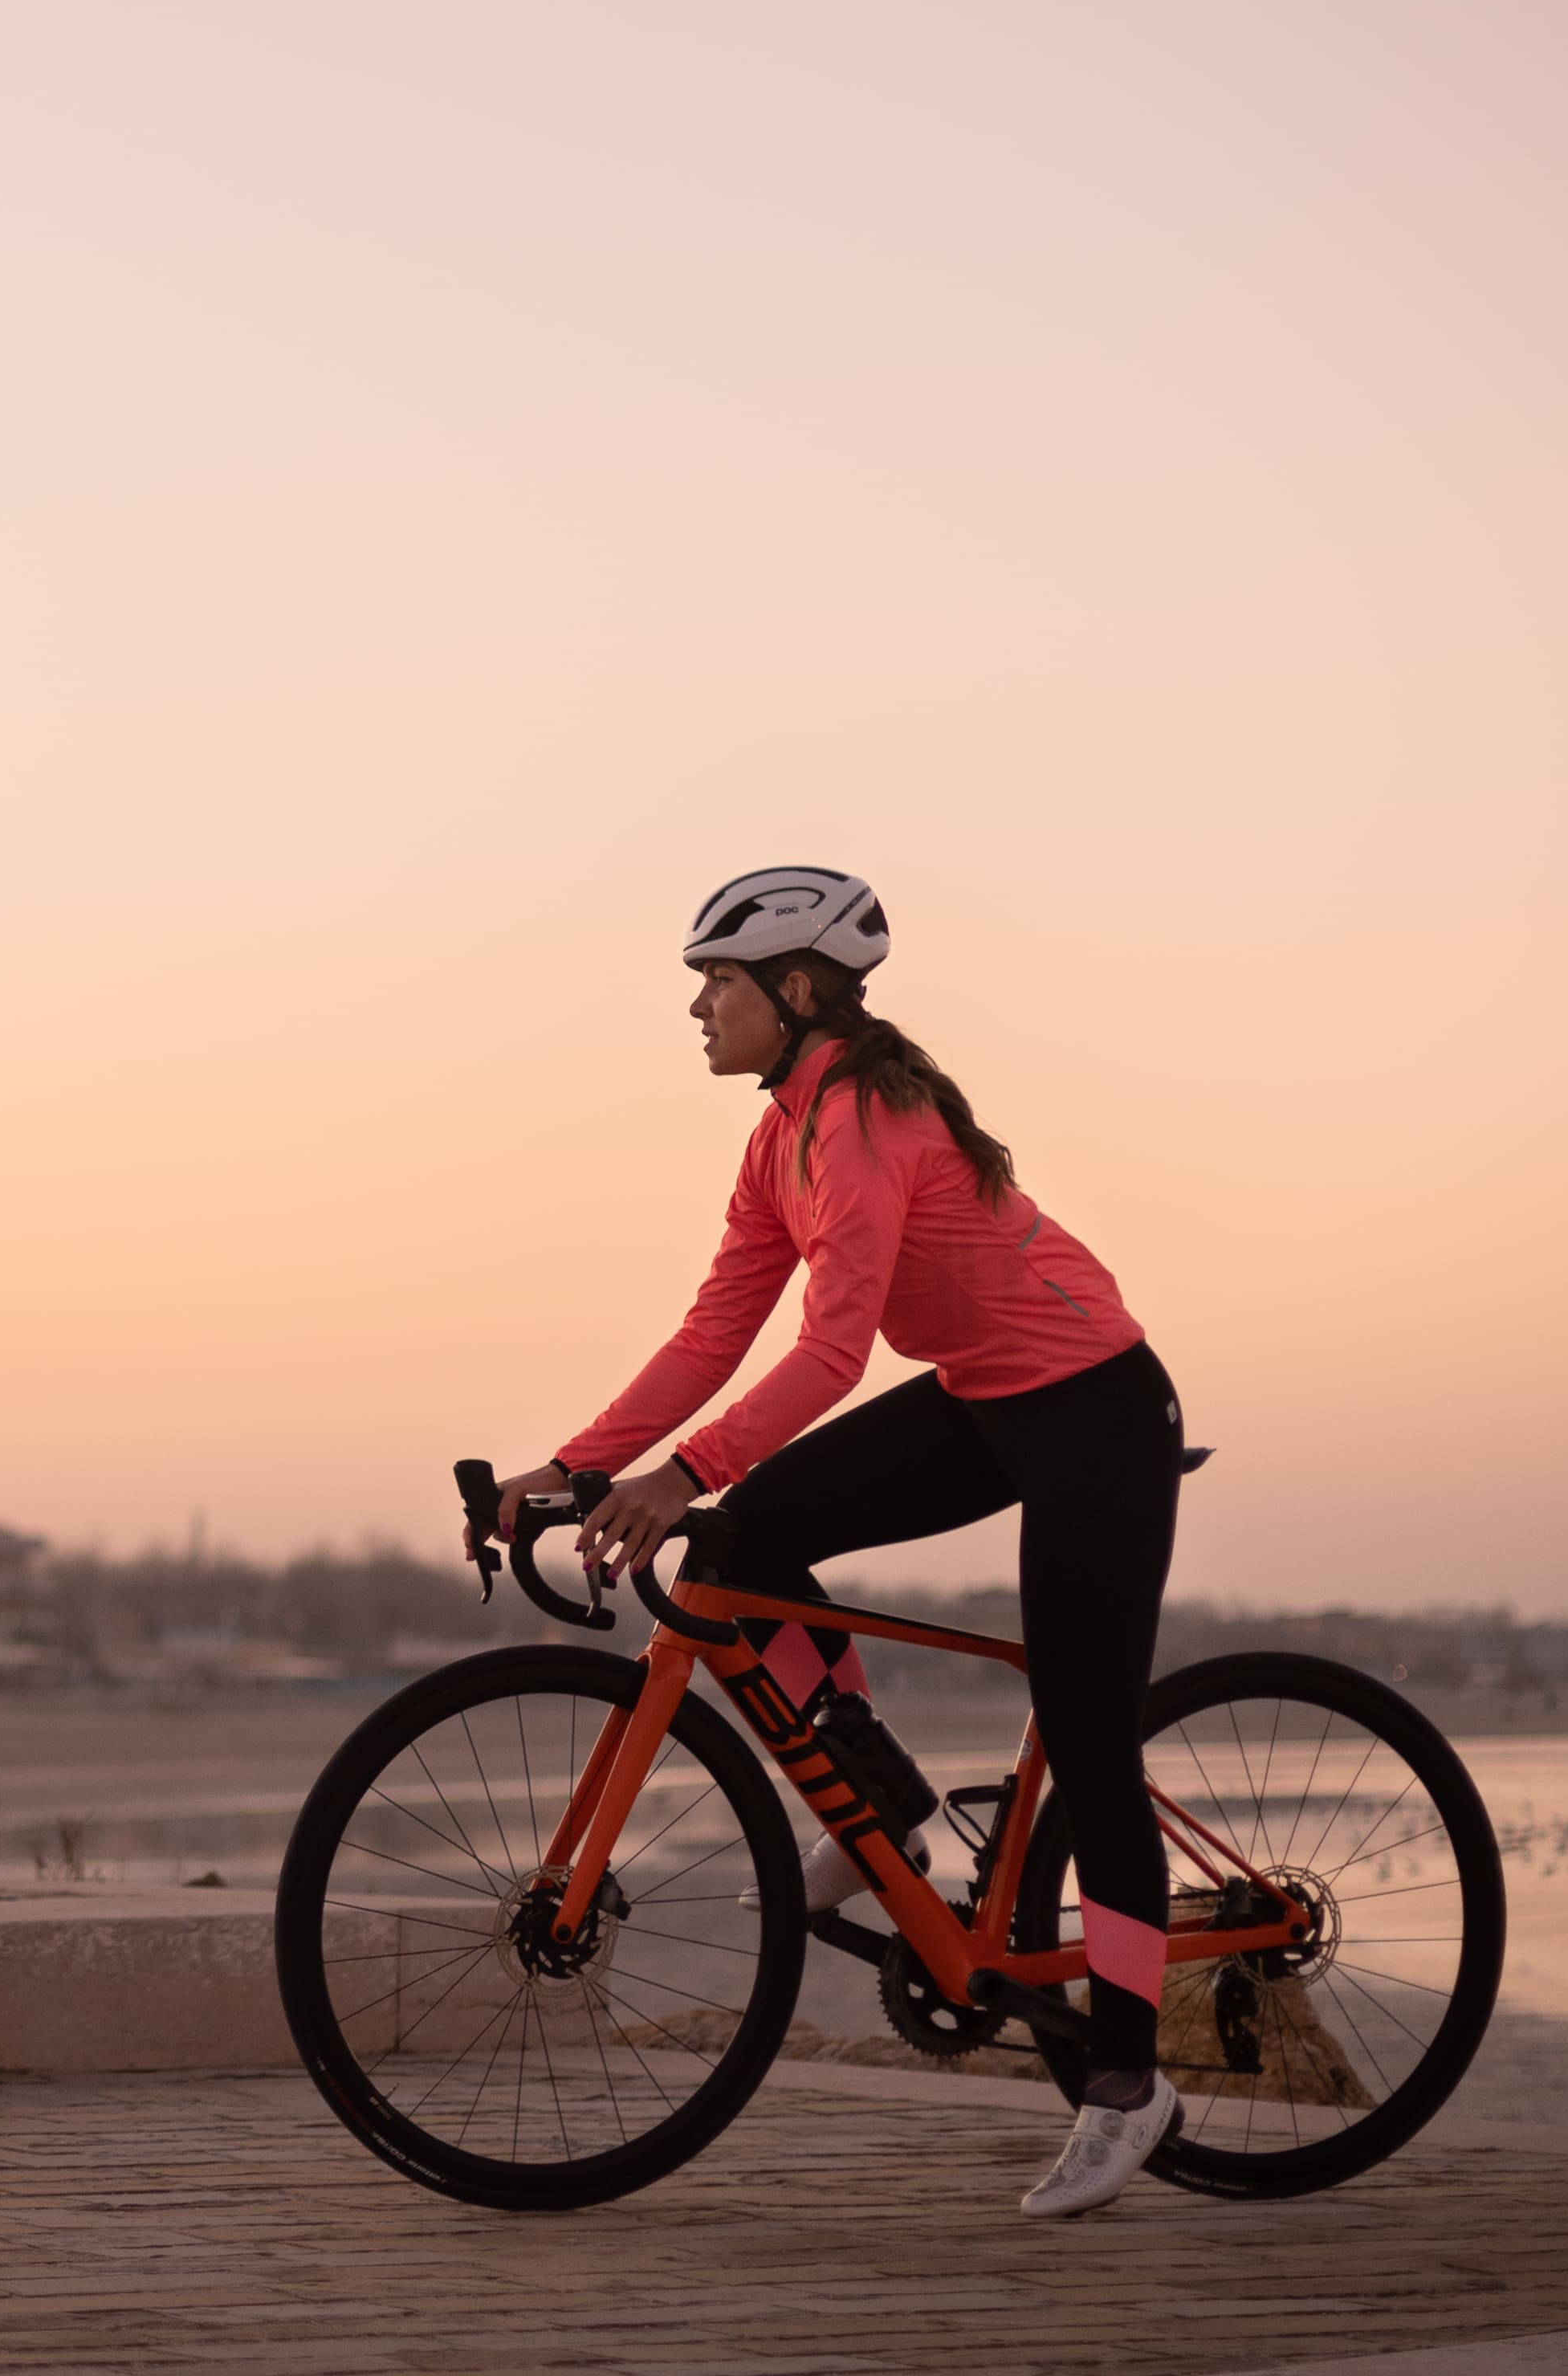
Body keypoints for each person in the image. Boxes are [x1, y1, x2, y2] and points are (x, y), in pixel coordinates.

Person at [489, 866, 1193, 2222]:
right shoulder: (778, 1139)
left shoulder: (869, 1112)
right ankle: (892, 1808)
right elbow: (715, 1332)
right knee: (740, 1544)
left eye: (721, 983)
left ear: (798, 993)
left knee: (1089, 1729)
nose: (699, 1007)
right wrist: (574, 1469)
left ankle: (1127, 2082)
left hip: (1096, 1405)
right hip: (988, 1400)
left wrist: (678, 1472)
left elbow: (833, 1349)